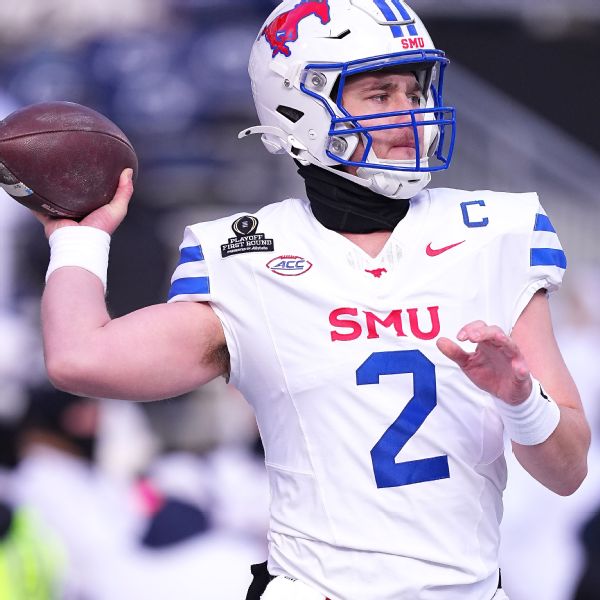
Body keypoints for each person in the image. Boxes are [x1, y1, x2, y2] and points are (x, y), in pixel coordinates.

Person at [32, 1, 589, 599]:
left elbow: (568, 472)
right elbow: (79, 359)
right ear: (300, 105)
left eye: (413, 91)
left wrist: (520, 400)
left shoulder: (493, 234)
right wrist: (78, 239)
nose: (409, 113)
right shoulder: (247, 257)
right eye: (379, 94)